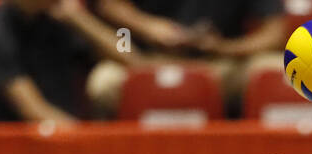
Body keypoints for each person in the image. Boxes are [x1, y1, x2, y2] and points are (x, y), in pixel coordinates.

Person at [87, 0, 287, 116]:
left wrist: (223, 48)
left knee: (281, 71)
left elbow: (275, 33)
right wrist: (149, 27)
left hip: (221, 63)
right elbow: (108, 5)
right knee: (103, 81)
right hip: (145, 60)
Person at [0, 0, 139, 123]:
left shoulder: (57, 20)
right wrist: (92, 144)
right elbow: (36, 112)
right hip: (10, 151)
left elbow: (130, 59)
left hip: (59, 142)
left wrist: (81, 20)